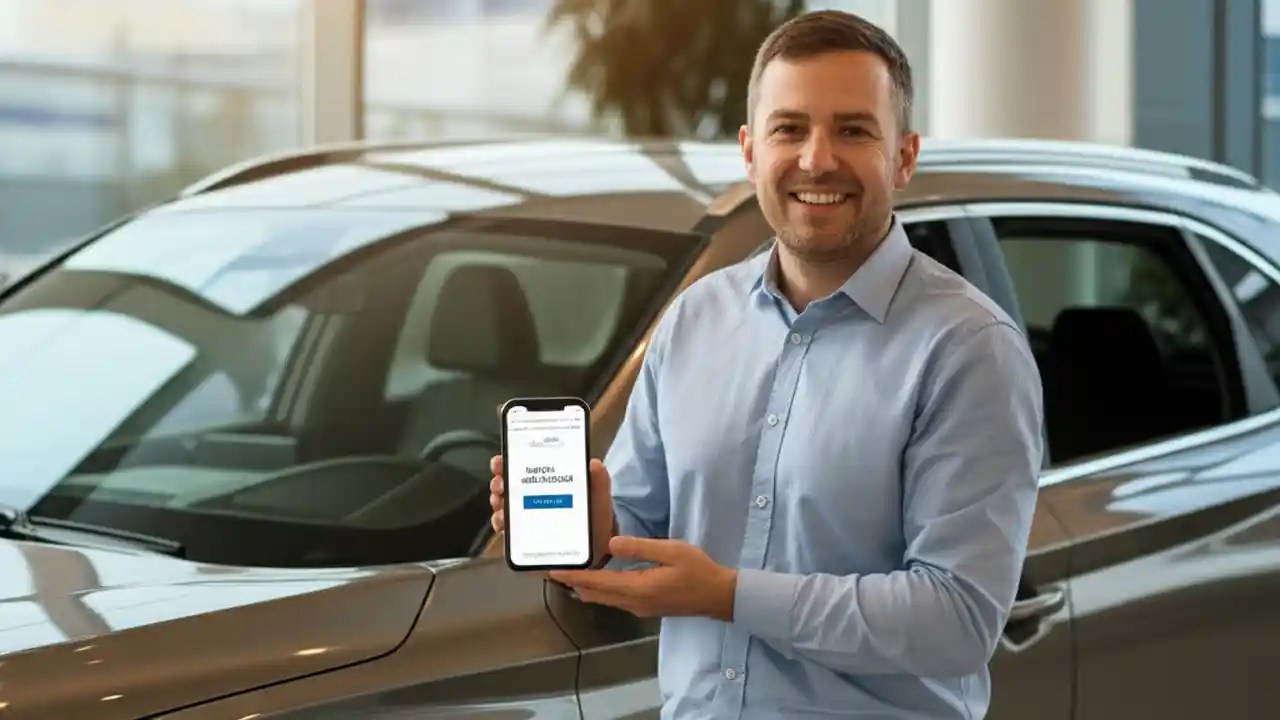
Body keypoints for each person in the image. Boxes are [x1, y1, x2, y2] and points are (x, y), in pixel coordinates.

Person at [489, 9, 1043, 719]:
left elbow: (956, 620)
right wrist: (597, 537)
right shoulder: (694, 320)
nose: (816, 159)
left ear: (904, 157)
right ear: (750, 152)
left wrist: (728, 594)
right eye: (789, 129)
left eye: (853, 130)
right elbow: (641, 542)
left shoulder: (968, 348)